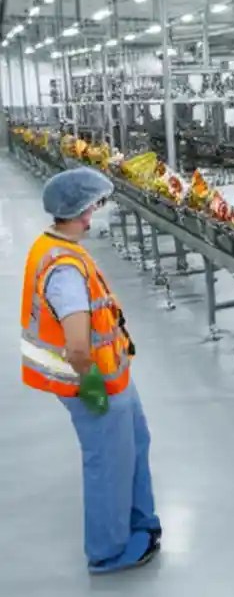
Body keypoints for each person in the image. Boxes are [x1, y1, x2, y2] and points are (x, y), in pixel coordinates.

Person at [21, 168, 161, 573]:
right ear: (79, 210)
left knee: (134, 444)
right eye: (91, 207)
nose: (92, 215)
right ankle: (108, 551)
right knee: (109, 462)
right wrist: (92, 384)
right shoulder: (64, 268)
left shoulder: (55, 245)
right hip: (94, 383)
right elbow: (78, 345)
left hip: (115, 377)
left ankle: (140, 522)